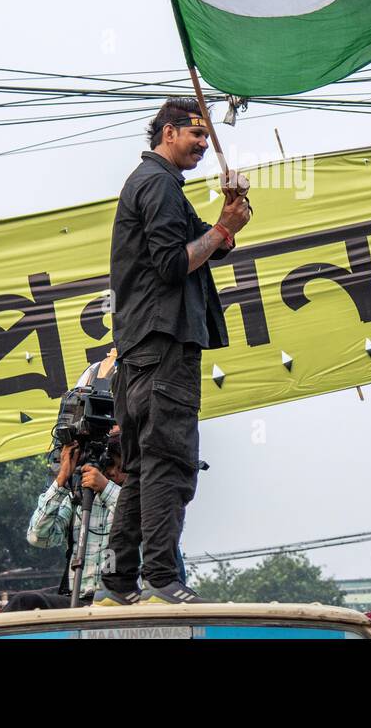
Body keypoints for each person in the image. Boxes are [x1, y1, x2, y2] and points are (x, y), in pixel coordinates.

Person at [96, 98, 251, 605]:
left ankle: (119, 582)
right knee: (170, 463)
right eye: (195, 135)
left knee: (142, 467)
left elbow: (195, 247)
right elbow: (171, 264)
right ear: (167, 133)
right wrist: (224, 230)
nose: (205, 145)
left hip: (141, 349)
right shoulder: (158, 185)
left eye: (208, 137)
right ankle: (161, 578)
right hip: (164, 347)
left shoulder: (152, 185)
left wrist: (225, 224)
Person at [9, 432, 125, 610]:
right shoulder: (77, 497)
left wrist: (105, 488)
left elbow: (137, 521)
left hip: (122, 603)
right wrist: (62, 480)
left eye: (121, 467)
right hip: (75, 601)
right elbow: (37, 536)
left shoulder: (139, 497)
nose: (113, 472)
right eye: (110, 465)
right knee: (24, 602)